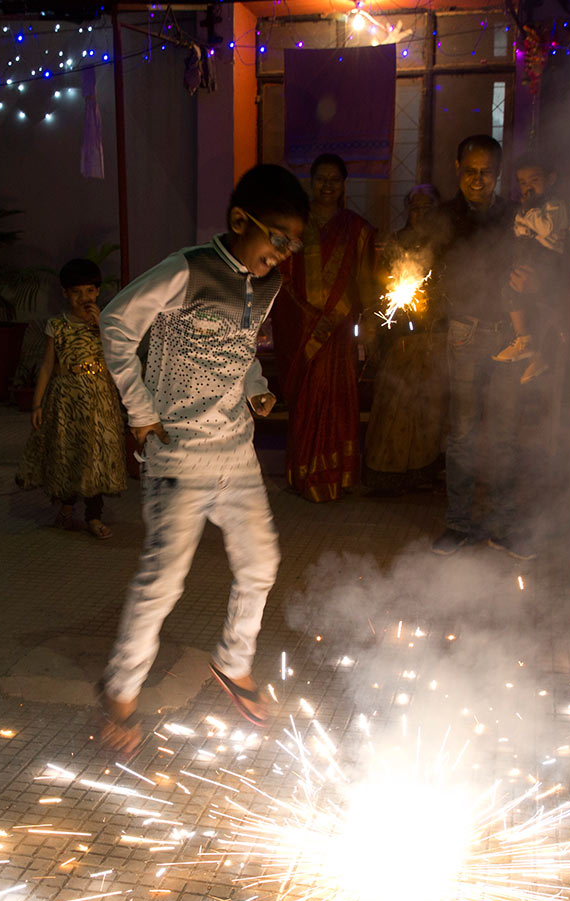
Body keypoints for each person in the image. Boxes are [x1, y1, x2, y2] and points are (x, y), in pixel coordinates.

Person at [96, 164, 309, 753]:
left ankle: (233, 662)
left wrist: (255, 384)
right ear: (241, 221)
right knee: (163, 581)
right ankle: (121, 689)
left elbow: (240, 350)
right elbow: (115, 321)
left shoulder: (265, 284)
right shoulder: (187, 269)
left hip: (235, 452)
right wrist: (139, 409)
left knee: (261, 564)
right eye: (279, 239)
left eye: (294, 245)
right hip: (179, 456)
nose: (284, 255)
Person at [432, 134, 538, 561]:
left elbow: (538, 267)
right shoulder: (444, 218)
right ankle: (458, 525)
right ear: (458, 168)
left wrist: (533, 279)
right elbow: (427, 270)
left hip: (510, 333)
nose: (478, 180)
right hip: (465, 331)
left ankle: (504, 526)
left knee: (507, 434)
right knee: (462, 435)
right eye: (471, 171)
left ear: (498, 173)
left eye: (487, 172)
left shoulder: (516, 218)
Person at [271, 153, 377, 502]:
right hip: (305, 332)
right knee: (307, 399)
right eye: (321, 179)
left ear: (343, 185)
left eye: (334, 179)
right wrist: (308, 318)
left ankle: (339, 475)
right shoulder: (295, 225)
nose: (327, 185)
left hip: (339, 333)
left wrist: (366, 323)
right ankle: (304, 472)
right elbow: (282, 279)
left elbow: (364, 281)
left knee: (337, 399)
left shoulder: (357, 229)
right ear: (311, 182)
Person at [16, 258, 126, 539]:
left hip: (98, 398)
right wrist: (37, 403)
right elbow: (47, 366)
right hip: (65, 399)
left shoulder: (105, 323)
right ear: (65, 293)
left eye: (89, 291)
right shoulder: (57, 325)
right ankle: (66, 510)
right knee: (67, 452)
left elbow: (118, 356)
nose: (84, 298)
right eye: (77, 292)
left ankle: (93, 516)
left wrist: (100, 324)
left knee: (95, 455)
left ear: (98, 292)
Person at [363, 184, 448, 495]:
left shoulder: (444, 246)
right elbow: (380, 290)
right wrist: (376, 329)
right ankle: (387, 473)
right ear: (407, 210)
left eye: (428, 208)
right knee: (396, 404)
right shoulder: (396, 244)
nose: (421, 214)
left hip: (436, 336)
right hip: (401, 339)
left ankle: (423, 471)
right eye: (416, 208)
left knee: (430, 407)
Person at [491, 156, 568, 380]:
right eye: (523, 183)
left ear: (550, 179)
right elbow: (519, 230)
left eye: (534, 180)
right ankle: (528, 346)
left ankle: (535, 349)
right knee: (509, 288)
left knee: (539, 305)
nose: (528, 187)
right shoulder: (527, 208)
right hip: (528, 255)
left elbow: (543, 228)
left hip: (546, 259)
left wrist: (529, 212)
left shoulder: (555, 205)